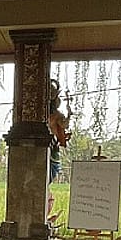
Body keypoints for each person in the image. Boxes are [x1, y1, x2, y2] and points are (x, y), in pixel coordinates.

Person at [47, 87, 71, 222]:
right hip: (45, 145)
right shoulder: (41, 115)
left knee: (52, 171)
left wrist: (68, 114)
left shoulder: (57, 115)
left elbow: (64, 125)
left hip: (53, 147)